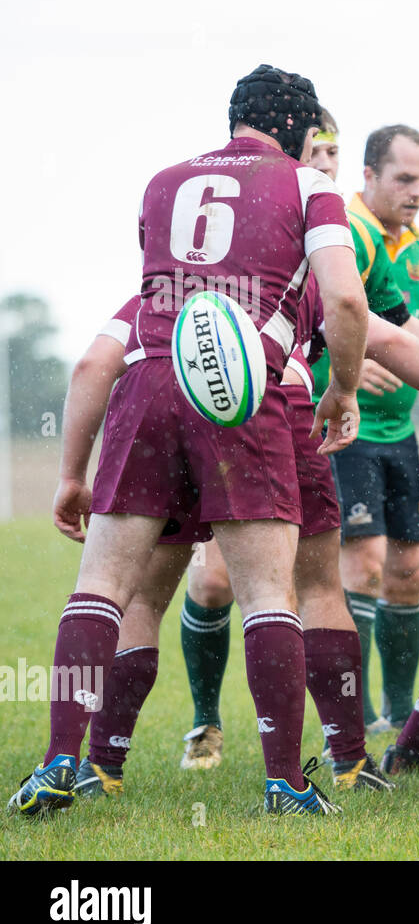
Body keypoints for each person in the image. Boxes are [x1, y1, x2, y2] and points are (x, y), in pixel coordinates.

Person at [10, 65, 369, 817]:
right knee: (269, 590)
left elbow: (111, 342)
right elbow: (343, 296)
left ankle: (58, 764)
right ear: (303, 132)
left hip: (148, 383)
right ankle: (284, 780)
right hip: (243, 394)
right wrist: (339, 390)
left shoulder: (162, 181)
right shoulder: (308, 184)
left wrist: (71, 473)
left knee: (103, 584)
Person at [63, 284, 419, 801]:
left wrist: (70, 473)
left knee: (142, 596)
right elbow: (392, 341)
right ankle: (343, 760)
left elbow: (92, 365)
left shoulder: (158, 290)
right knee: (311, 589)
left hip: (158, 406)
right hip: (276, 410)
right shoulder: (287, 277)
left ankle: (102, 764)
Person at [176, 107, 417, 766]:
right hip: (237, 414)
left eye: (333, 156)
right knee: (218, 578)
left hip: (309, 423)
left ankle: (348, 742)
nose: (324, 166)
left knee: (323, 577)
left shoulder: (344, 236)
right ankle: (204, 721)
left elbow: (387, 327)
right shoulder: (252, 228)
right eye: (317, 151)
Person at [327, 124, 419, 734]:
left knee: (409, 572)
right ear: (368, 176)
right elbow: (320, 320)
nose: (417, 190)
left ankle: (402, 718)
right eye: (404, 178)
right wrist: (349, 366)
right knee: (366, 566)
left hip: (401, 436)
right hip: (349, 435)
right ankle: (356, 712)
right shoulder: (349, 236)